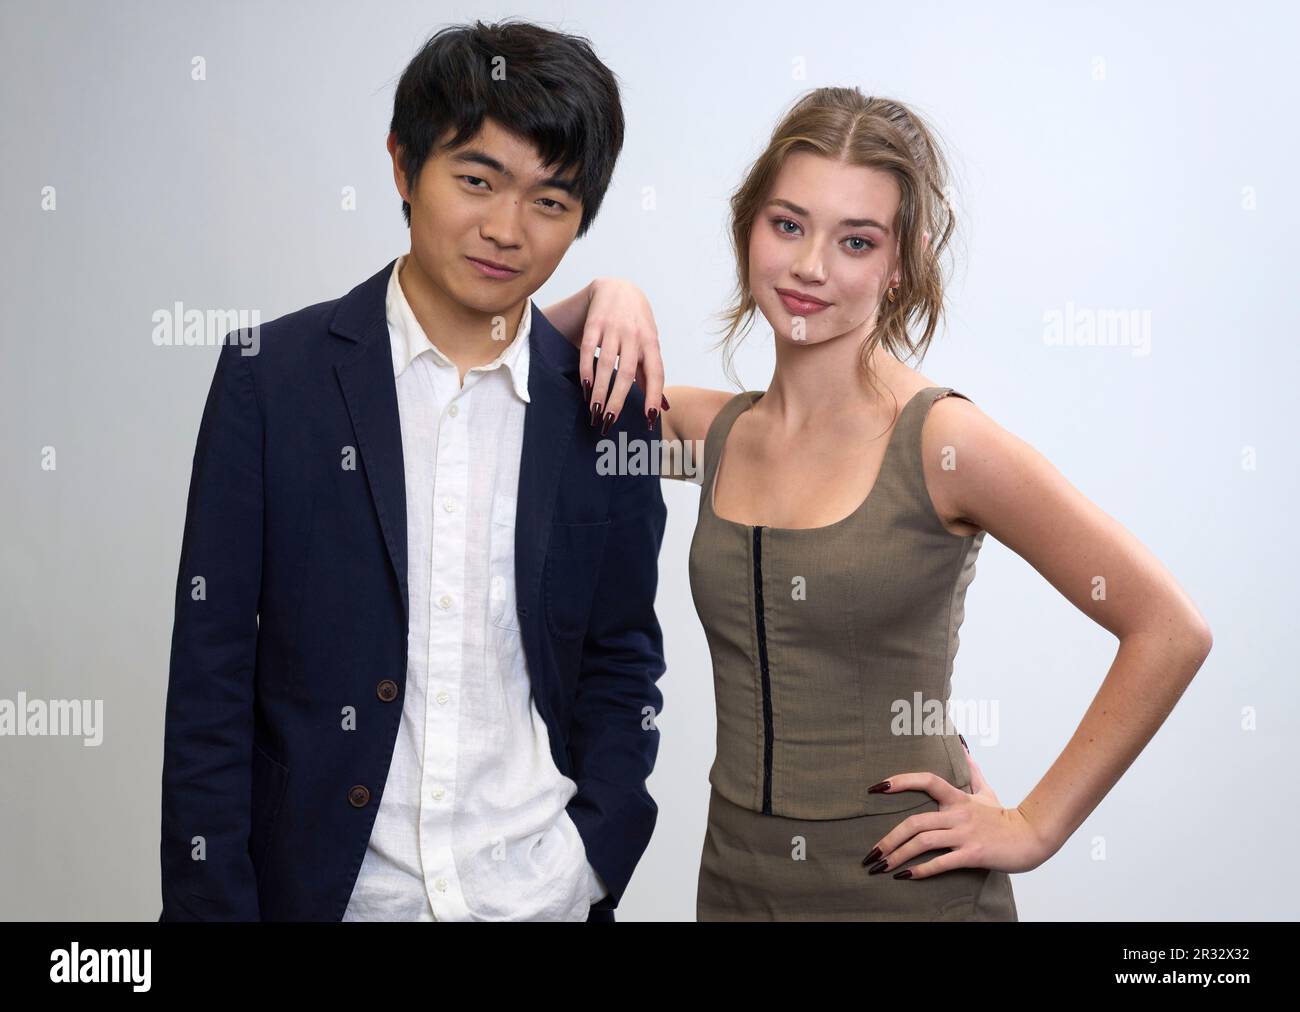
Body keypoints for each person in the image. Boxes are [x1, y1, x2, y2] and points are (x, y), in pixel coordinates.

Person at [546, 87, 1213, 919]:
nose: (810, 266)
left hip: (907, 891)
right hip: (733, 885)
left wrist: (1036, 826)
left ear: (902, 263)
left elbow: (1169, 628)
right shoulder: (705, 432)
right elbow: (528, 388)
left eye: (855, 241)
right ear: (747, 225)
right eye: (787, 225)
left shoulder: (945, 444)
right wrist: (608, 295)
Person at [160, 19, 668, 922]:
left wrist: (594, 853)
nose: (506, 230)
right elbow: (211, 678)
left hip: (536, 895)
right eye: (477, 180)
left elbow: (622, 655)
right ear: (403, 166)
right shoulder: (272, 379)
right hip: (332, 897)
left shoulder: (603, 405)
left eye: (551, 202)